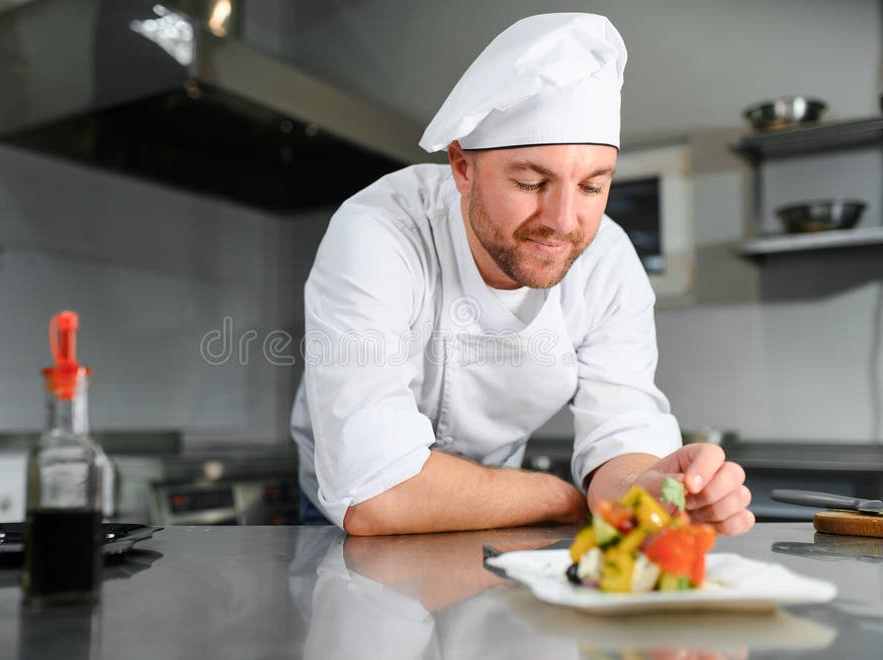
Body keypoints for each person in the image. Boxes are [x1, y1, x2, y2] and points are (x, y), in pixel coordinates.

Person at [289, 13, 753, 537]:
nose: (563, 222)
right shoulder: (379, 232)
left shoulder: (610, 263)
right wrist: (559, 495)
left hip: (499, 506)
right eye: (532, 183)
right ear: (463, 167)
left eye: (592, 187)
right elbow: (374, 495)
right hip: (351, 520)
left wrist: (641, 489)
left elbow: (622, 435)